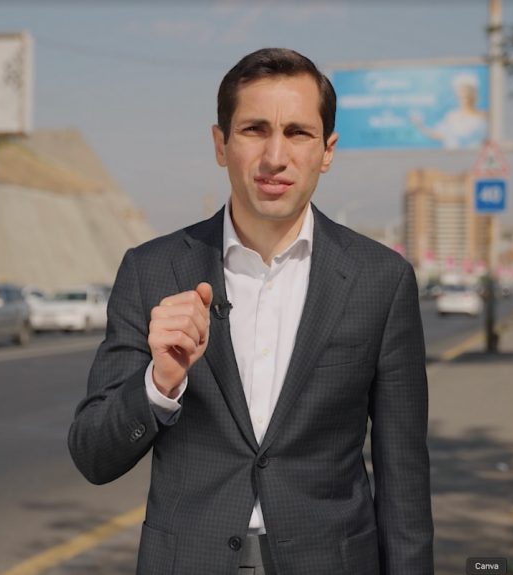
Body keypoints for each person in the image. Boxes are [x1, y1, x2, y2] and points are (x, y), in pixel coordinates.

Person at [68, 47, 432, 575]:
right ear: (221, 143)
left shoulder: (381, 280)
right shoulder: (151, 270)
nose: (274, 157)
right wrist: (159, 383)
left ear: (327, 150)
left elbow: (405, 481)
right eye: (254, 130)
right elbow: (93, 455)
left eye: (298, 133)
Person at [411, 71, 487, 149]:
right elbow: (437, 134)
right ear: (457, 95)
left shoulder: (485, 116)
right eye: (462, 92)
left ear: (475, 94)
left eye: (468, 91)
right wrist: (420, 125)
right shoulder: (452, 117)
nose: (465, 94)